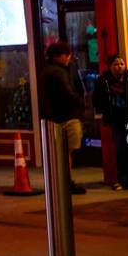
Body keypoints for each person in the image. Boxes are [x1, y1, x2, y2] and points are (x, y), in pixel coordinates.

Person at [94, 54, 128, 191]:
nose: (119, 67)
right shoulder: (104, 81)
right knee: (120, 149)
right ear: (110, 67)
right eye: (116, 64)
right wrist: (106, 110)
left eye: (121, 64)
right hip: (116, 120)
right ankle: (124, 180)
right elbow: (97, 99)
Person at [40, 40, 87, 194]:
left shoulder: (46, 71)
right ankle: (66, 182)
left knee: (61, 152)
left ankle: (62, 181)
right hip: (67, 116)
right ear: (59, 56)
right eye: (66, 55)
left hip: (53, 117)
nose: (68, 58)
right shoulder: (59, 72)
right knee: (66, 152)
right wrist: (80, 103)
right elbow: (68, 93)